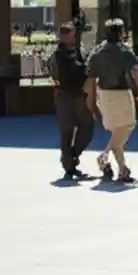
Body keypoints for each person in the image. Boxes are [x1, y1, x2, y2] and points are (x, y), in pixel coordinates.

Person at [85, 18, 138, 183]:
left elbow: (90, 78)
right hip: (121, 93)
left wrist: (90, 99)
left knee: (117, 131)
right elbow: (136, 74)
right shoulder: (125, 52)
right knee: (126, 126)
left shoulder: (97, 52)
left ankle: (121, 168)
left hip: (104, 94)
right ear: (121, 33)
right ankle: (107, 159)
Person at [49, 23, 94, 181]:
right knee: (67, 131)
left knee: (87, 128)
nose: (72, 37)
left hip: (78, 95)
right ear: (63, 37)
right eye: (70, 35)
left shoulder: (79, 51)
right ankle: (69, 166)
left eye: (73, 34)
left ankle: (71, 158)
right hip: (65, 96)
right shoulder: (57, 55)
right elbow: (54, 73)